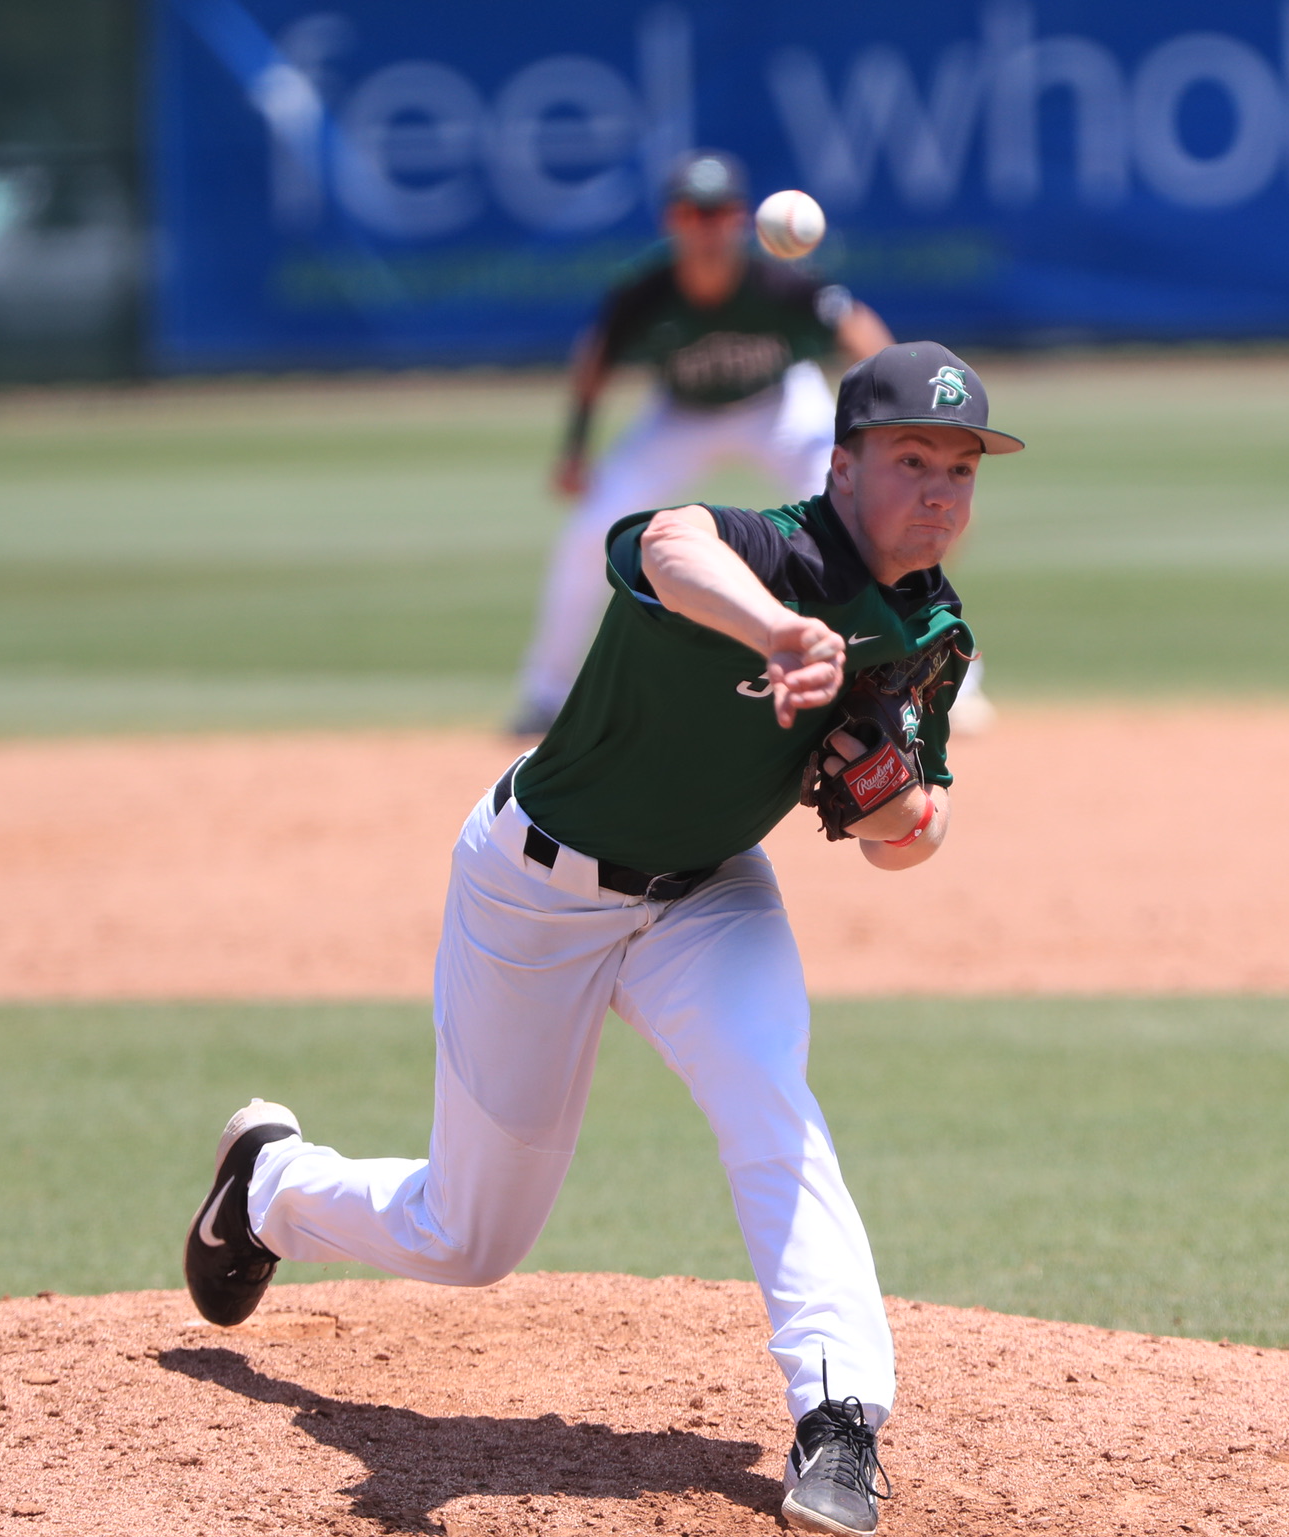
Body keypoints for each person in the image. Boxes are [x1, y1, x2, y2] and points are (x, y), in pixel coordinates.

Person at [186, 341, 1023, 1537]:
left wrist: (893, 797)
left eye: (961, 468)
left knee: (767, 1098)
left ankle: (839, 1420)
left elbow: (911, 839)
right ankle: (269, 1184)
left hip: (706, 896)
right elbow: (663, 540)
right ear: (840, 465)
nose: (941, 490)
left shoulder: (931, 628)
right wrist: (780, 632)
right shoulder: (769, 547)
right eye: (910, 460)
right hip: (534, 890)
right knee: (466, 1237)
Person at [505, 147, 894, 739]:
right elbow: (595, 362)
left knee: (871, 515)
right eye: (693, 213)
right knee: (591, 532)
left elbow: (860, 332)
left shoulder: (778, 280)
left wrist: (891, 419)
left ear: (740, 219)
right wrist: (575, 449)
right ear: (672, 222)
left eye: (718, 213)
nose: (707, 226)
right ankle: (545, 692)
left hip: (779, 407)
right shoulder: (645, 289)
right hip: (679, 417)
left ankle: (941, 679)